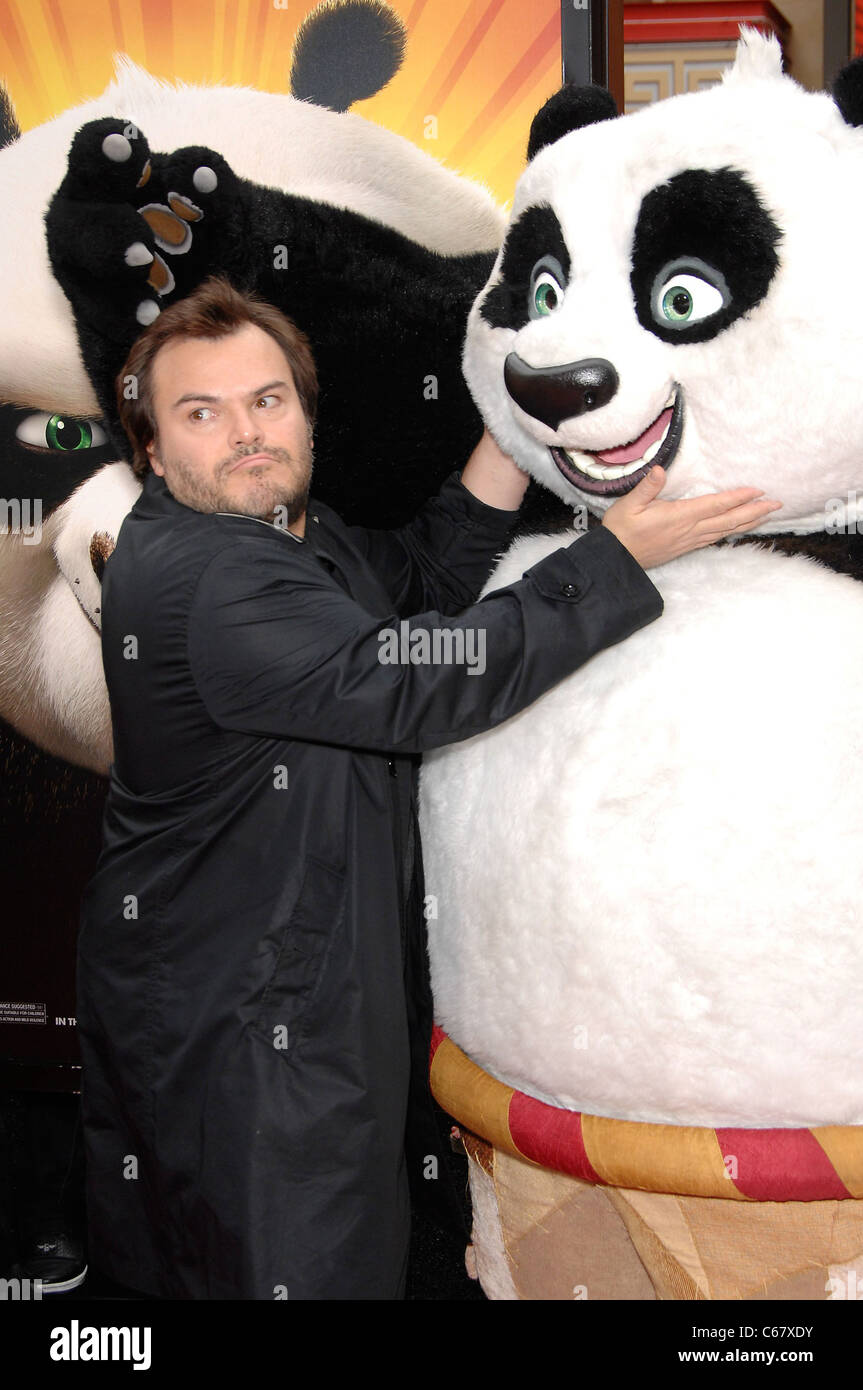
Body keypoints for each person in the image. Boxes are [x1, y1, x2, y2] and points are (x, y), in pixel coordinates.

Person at [76, 275, 781, 1300]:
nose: (245, 432)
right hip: (239, 1023)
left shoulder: (275, 530)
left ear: (304, 411)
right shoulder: (210, 576)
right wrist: (615, 559)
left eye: (267, 400)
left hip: (256, 982)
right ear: (149, 445)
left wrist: (509, 428)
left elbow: (414, 584)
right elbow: (418, 677)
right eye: (201, 412)